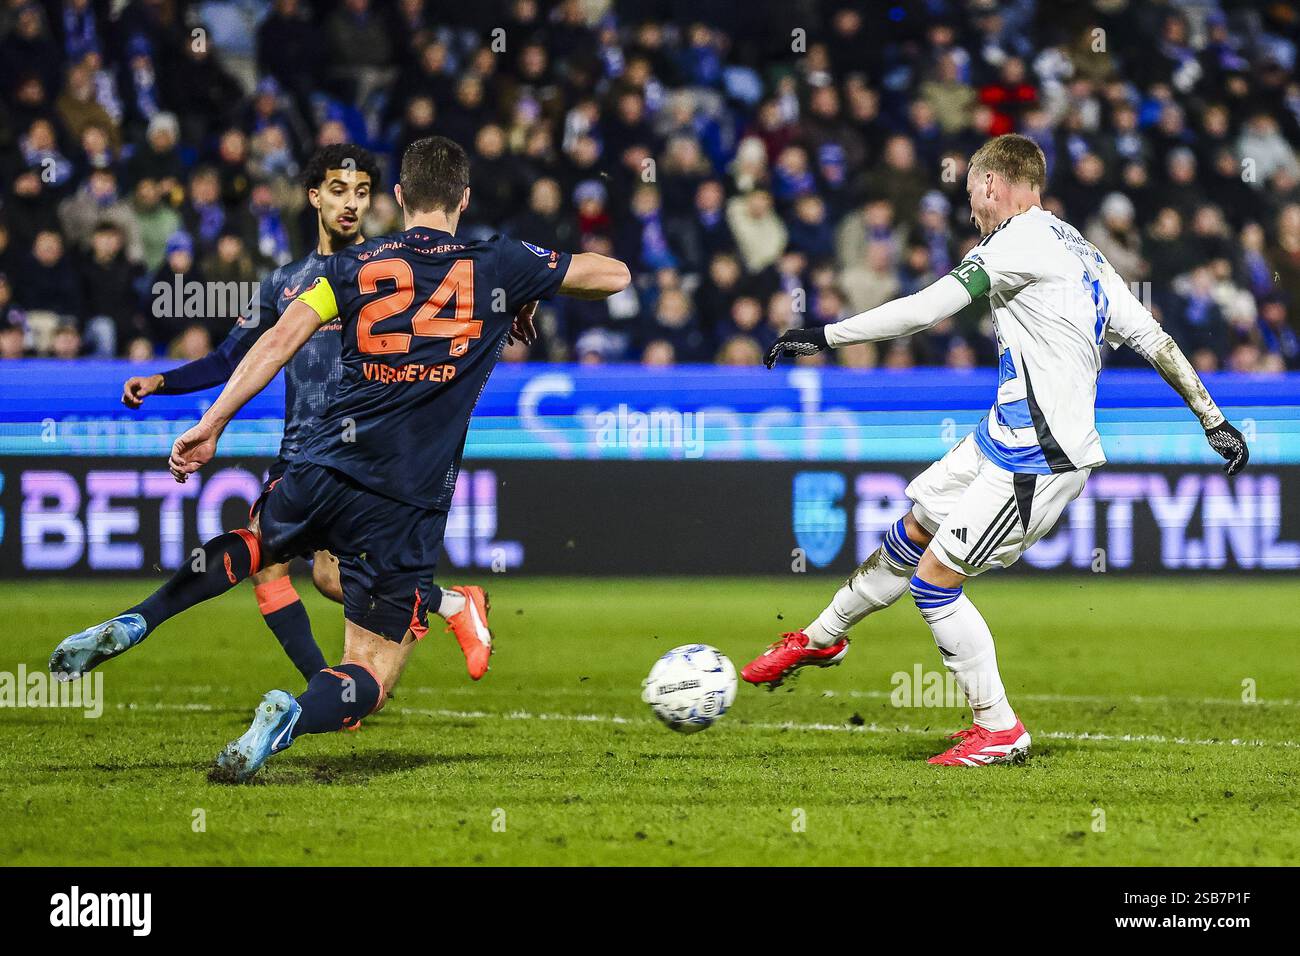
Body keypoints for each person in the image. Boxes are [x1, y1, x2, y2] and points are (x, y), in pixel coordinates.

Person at [51, 136, 630, 781]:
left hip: (324, 463)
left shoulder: (352, 267)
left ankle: (141, 618)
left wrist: (210, 423)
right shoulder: (496, 262)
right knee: (370, 674)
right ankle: (294, 714)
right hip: (404, 497)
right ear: (463, 200)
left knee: (257, 546)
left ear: (400, 197)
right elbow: (614, 275)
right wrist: (530, 288)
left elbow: (275, 344)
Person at [752, 134, 1249, 767]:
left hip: (1039, 457)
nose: (970, 211)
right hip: (1000, 436)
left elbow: (925, 310)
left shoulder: (1014, 243)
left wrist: (822, 335)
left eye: (970, 196)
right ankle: (821, 639)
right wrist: (1213, 419)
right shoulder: (1082, 249)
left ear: (991, 185)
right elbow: (1154, 339)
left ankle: (999, 728)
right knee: (910, 532)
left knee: (935, 585)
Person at [119, 144, 495, 683]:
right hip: (302, 451)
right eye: (339, 191)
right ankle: (344, 679)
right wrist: (162, 382)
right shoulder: (284, 283)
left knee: (318, 570)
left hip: (365, 456)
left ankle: (427, 622)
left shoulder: (387, 270)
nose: (350, 205)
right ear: (314, 196)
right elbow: (235, 356)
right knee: (292, 570)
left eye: (362, 193)